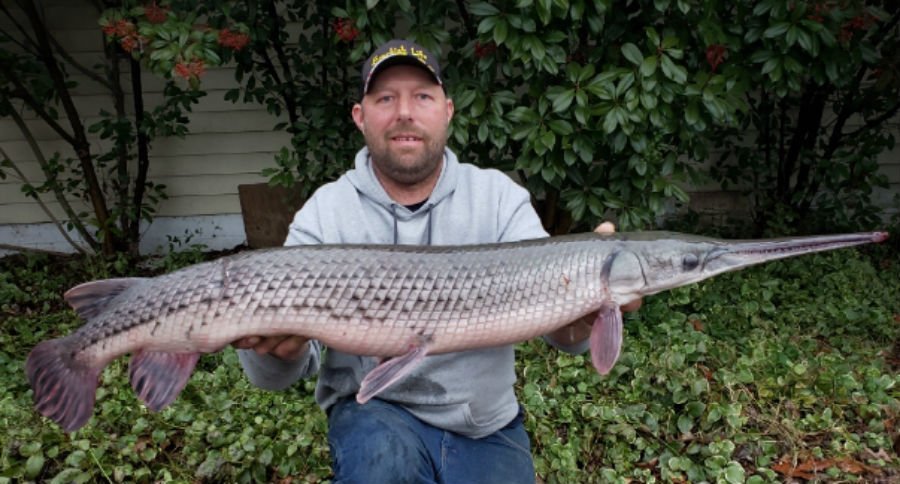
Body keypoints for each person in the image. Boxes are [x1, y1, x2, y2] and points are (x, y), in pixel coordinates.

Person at [233, 39, 640, 484]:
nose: (404, 112)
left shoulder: (499, 198)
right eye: (386, 97)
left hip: (486, 426)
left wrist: (587, 314)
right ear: (360, 116)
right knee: (381, 465)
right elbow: (276, 375)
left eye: (422, 96)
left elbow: (565, 336)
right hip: (375, 414)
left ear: (446, 111)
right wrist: (273, 352)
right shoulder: (325, 212)